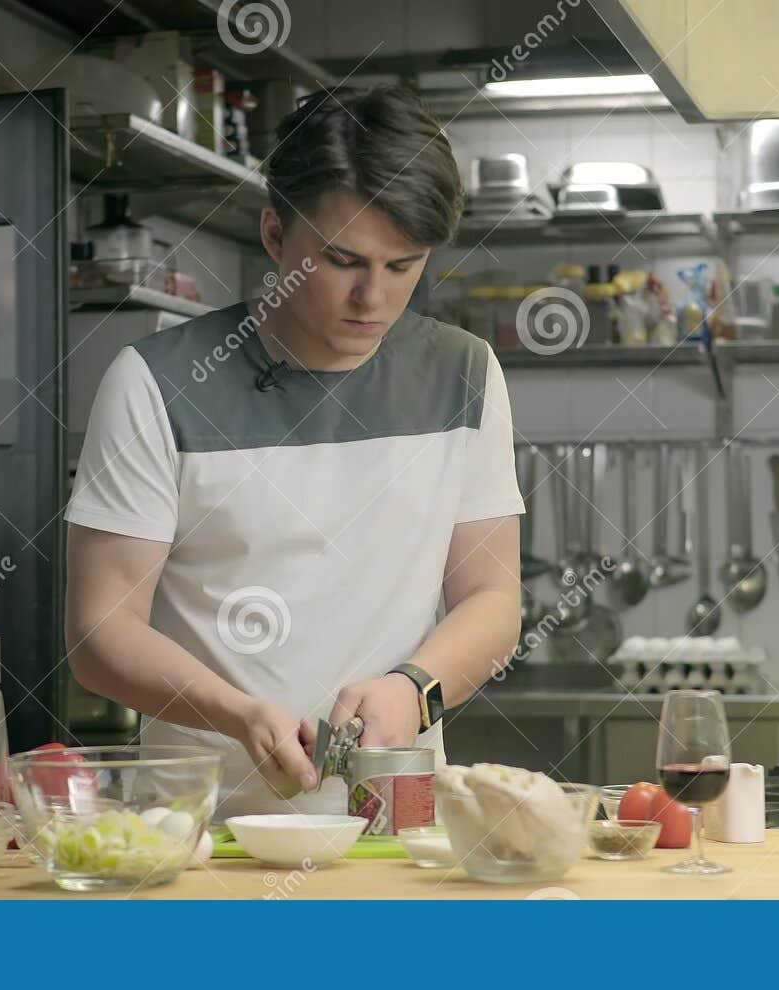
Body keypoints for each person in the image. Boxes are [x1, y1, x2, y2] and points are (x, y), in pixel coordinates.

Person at [63, 85, 522, 816]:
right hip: (206, 835)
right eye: (342, 261)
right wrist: (237, 714)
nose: (372, 297)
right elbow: (100, 632)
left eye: (403, 266)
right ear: (275, 235)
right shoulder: (155, 383)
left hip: (395, 829)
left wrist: (414, 688)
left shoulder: (463, 374)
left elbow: (493, 601)